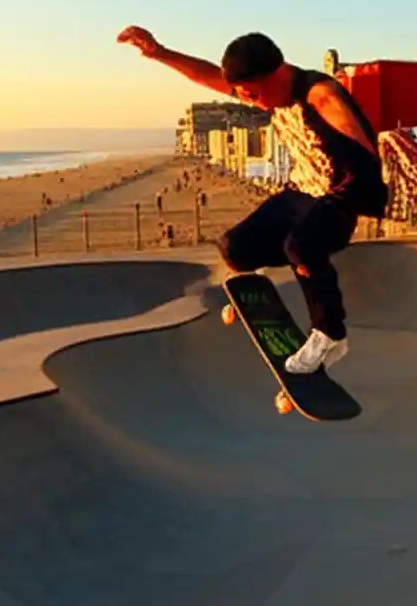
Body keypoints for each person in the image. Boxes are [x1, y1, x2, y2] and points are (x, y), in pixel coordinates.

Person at [118, 26, 387, 374]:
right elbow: (207, 75)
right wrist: (160, 53)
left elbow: (366, 155)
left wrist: (352, 201)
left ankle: (330, 334)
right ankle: (269, 283)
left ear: (275, 74)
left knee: (301, 246)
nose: (252, 102)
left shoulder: (322, 96)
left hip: (338, 201)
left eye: (254, 95)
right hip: (300, 193)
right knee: (235, 249)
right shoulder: (259, 86)